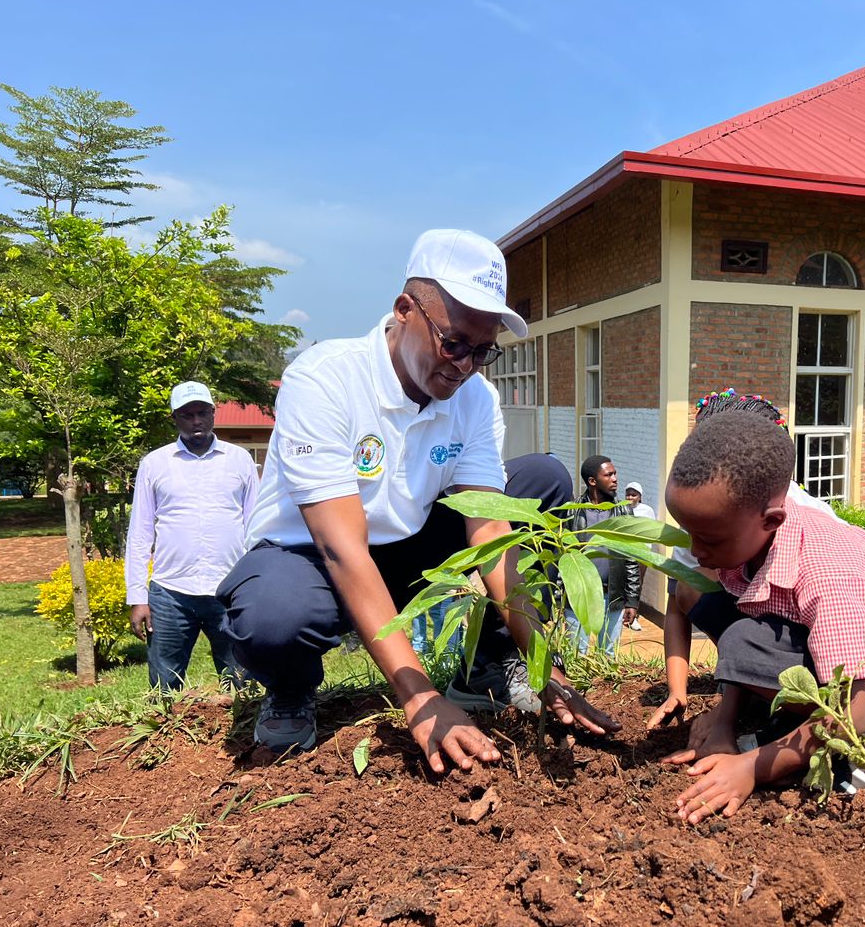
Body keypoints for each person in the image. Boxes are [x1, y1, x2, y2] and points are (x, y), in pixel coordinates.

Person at [219, 229, 618, 765]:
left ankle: (491, 665)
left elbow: (491, 531)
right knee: (275, 615)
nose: (464, 365)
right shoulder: (324, 379)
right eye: (453, 344)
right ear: (405, 309)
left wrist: (543, 661)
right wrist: (420, 696)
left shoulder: (474, 398)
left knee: (538, 480)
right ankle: (290, 689)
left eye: (482, 352)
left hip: (407, 549)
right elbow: (342, 548)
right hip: (311, 558)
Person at [661, 410, 865, 823]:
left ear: (771, 521)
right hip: (839, 662)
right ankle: (791, 732)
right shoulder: (748, 542)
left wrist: (750, 769)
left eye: (708, 538)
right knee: (721, 617)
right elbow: (749, 633)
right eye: (688, 532)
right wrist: (723, 726)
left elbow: (850, 708)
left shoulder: (827, 569)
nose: (696, 550)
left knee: (744, 643)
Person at [646, 389, 843, 730]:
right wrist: (678, 690)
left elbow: (846, 646)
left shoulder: (809, 529)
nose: (695, 547)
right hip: (763, 635)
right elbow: (678, 601)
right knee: (692, 587)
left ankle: (785, 699)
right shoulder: (707, 508)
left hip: (834, 650)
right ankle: (755, 686)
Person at [125, 382, 256, 691]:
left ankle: (244, 735)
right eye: (187, 415)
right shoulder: (155, 464)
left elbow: (255, 526)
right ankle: (164, 737)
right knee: (164, 687)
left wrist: (256, 586)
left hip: (229, 590)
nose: (196, 421)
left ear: (213, 414)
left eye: (202, 413)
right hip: (171, 593)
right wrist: (137, 597)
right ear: (175, 419)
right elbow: (140, 533)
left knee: (241, 681)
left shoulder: (239, 460)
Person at [563, 455, 640, 656]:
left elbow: (631, 557)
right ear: (592, 481)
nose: (615, 479)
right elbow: (563, 554)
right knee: (576, 655)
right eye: (609, 475)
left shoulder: (623, 510)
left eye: (615, 474)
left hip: (612, 595)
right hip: (579, 595)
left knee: (608, 655)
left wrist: (632, 600)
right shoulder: (573, 511)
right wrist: (560, 592)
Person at [623, 481, 655, 631]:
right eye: (628, 494)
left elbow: (652, 529)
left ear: (640, 497)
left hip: (641, 552)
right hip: (625, 551)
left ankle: (634, 616)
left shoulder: (647, 510)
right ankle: (622, 615)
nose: (630, 497)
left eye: (633, 495)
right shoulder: (621, 508)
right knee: (624, 583)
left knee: (638, 583)